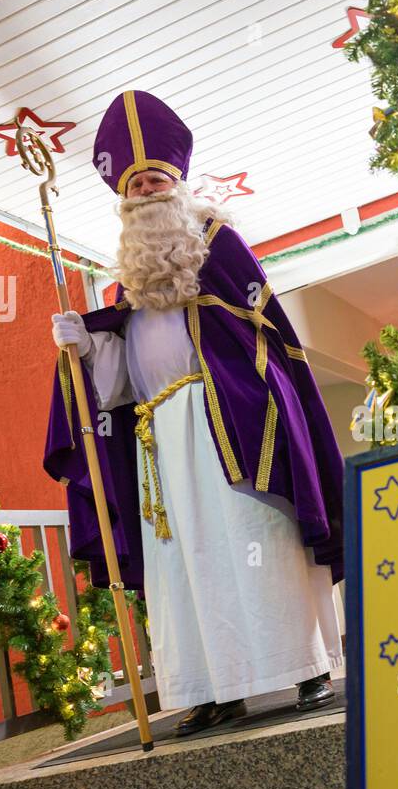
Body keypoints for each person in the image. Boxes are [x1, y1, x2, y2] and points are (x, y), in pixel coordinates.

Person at [43, 90, 344, 736]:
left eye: (156, 179)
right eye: (136, 185)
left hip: (229, 424)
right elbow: (119, 385)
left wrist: (245, 398)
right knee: (188, 563)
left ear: (176, 184)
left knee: (257, 539)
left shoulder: (218, 245)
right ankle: (214, 685)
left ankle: (305, 665)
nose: (148, 191)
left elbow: (266, 337)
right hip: (159, 442)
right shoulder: (129, 282)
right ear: (124, 202)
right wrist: (86, 344)